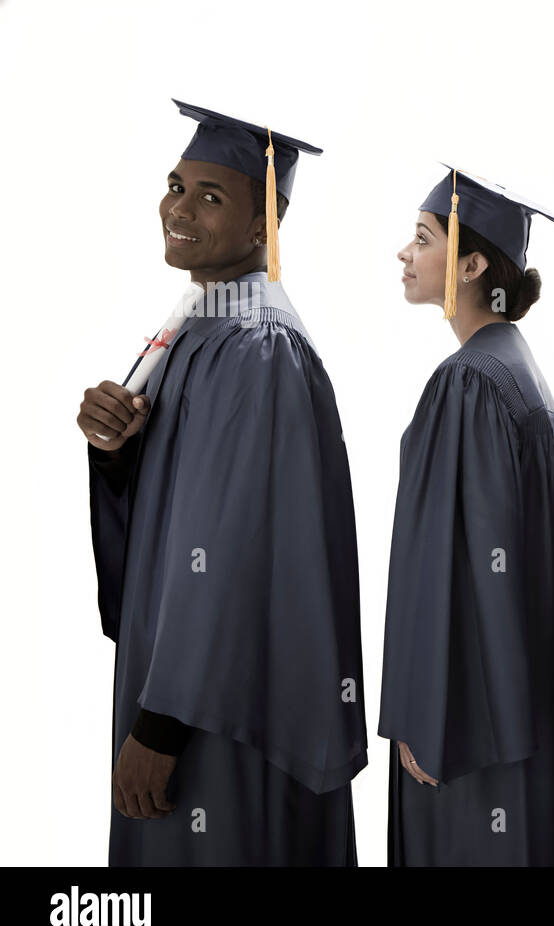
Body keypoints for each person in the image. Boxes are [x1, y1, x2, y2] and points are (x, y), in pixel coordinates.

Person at [77, 101, 367, 865]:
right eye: (176, 186)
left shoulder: (257, 348)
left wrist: (161, 726)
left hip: (218, 709)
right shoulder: (194, 324)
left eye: (210, 196)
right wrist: (115, 452)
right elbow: (180, 514)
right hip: (175, 677)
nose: (178, 208)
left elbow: (232, 553)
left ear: (264, 225)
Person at [379, 166, 554, 865]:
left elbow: (462, 569)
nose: (404, 252)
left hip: (469, 736)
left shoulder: (468, 381)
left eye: (422, 238)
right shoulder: (520, 373)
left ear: (471, 266)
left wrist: (426, 712)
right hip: (525, 713)